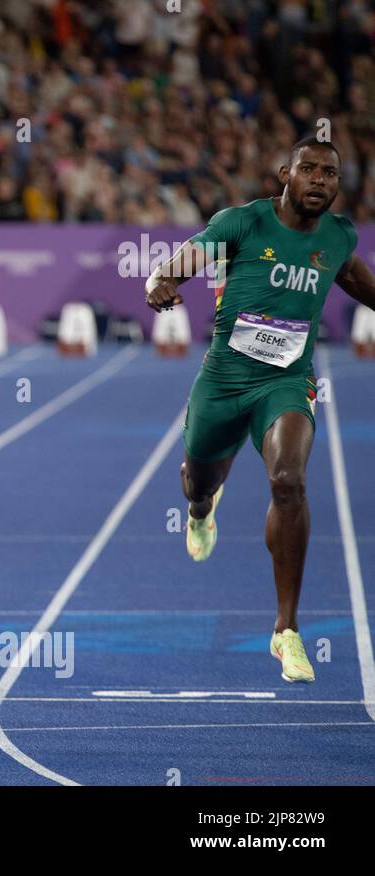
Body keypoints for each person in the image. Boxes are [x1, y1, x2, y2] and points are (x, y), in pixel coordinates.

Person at [146, 135, 375, 683]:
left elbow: (358, 282)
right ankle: (203, 508)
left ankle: (286, 630)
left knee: (289, 480)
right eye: (309, 169)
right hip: (224, 382)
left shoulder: (339, 236)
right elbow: (185, 260)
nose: (320, 179)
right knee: (197, 482)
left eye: (330, 173)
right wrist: (161, 281)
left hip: (288, 384)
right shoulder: (242, 222)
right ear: (285, 175)